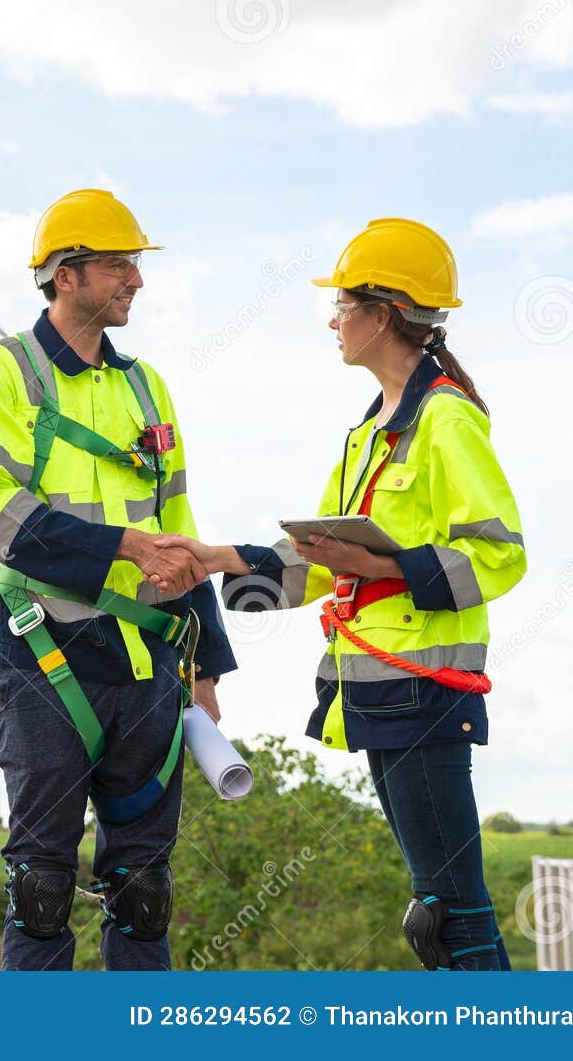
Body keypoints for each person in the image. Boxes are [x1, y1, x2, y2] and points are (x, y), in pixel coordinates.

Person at [165, 217, 526, 970]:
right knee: (436, 912)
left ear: (384, 313)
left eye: (342, 305)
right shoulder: (369, 435)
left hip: (427, 696)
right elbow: (323, 560)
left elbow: (499, 554)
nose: (332, 320)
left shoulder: (446, 419)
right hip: (378, 696)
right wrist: (214, 561)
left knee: (451, 913)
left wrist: (386, 570)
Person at [0, 189, 234, 971]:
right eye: (119, 265)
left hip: (147, 665)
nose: (136, 279)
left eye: (136, 265)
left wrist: (207, 668)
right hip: (43, 658)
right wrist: (126, 547)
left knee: (144, 890)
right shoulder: (1, 374)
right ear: (66, 274)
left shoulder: (148, 390)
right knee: (41, 885)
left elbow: (181, 534)